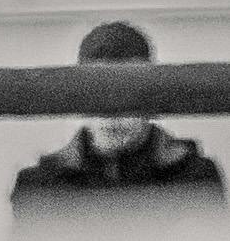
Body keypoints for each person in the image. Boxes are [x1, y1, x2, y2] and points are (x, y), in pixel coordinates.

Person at [14, 20, 223, 228]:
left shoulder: (196, 178)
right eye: (97, 91)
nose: (112, 112)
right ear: (78, 95)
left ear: (151, 95)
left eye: (128, 92)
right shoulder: (38, 186)